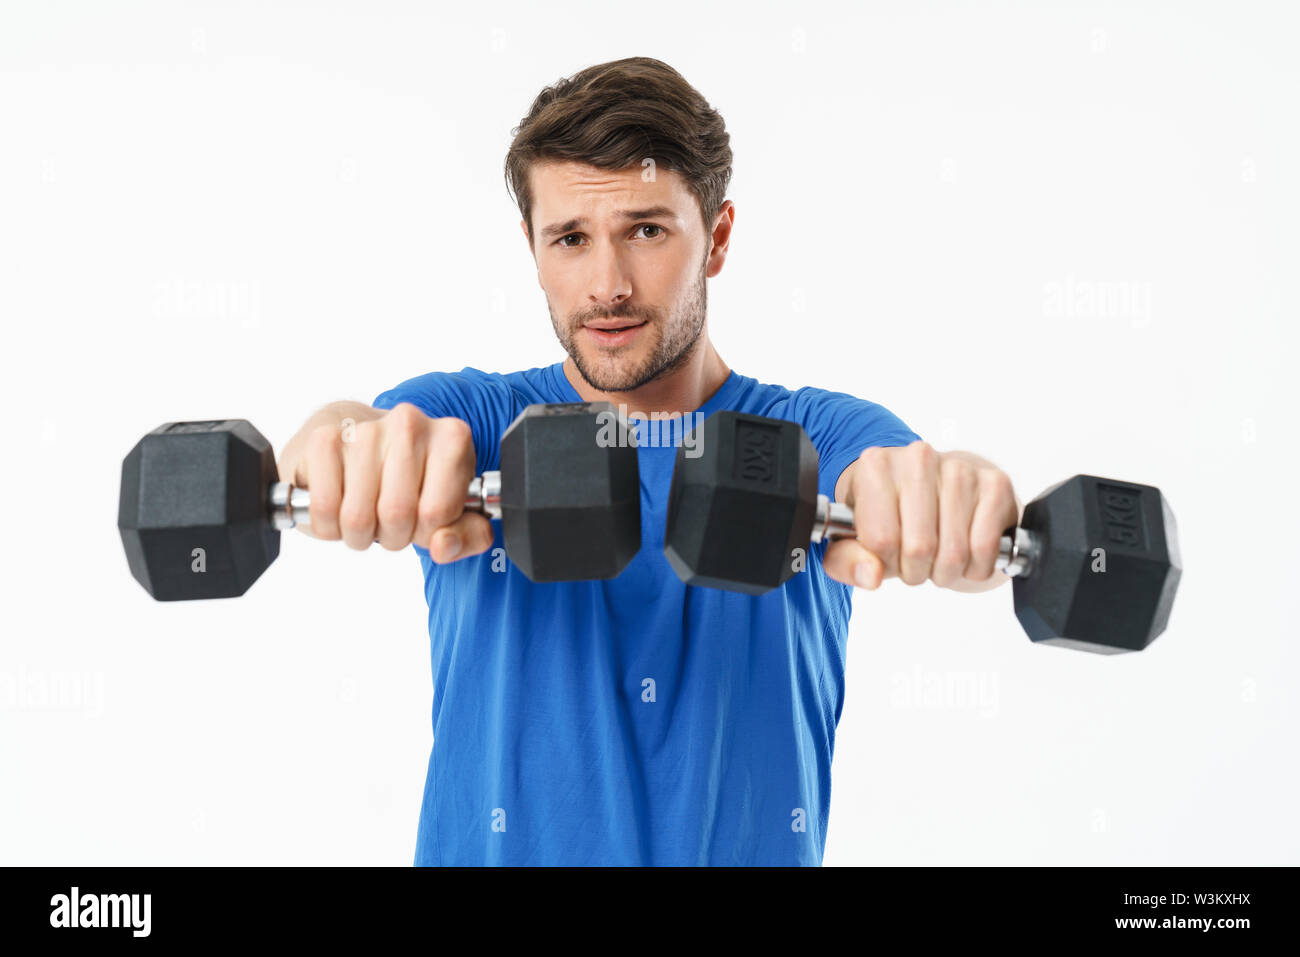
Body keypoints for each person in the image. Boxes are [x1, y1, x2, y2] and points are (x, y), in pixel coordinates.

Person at [276, 56, 1021, 865]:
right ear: (532, 246)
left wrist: (956, 501)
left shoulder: (809, 435)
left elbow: (903, 477)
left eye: (646, 230)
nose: (608, 286)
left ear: (718, 238)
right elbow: (355, 433)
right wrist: (344, 448)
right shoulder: (479, 426)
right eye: (570, 238)